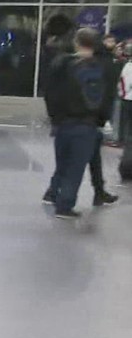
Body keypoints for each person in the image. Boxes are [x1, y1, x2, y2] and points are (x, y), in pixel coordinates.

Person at [43, 28, 118, 218]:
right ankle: (65, 205)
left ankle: (54, 194)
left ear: (76, 42)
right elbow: (106, 97)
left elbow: (50, 93)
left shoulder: (62, 64)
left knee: (63, 164)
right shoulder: (99, 67)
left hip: (63, 123)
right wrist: (101, 119)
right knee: (75, 168)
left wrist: (55, 118)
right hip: (87, 123)